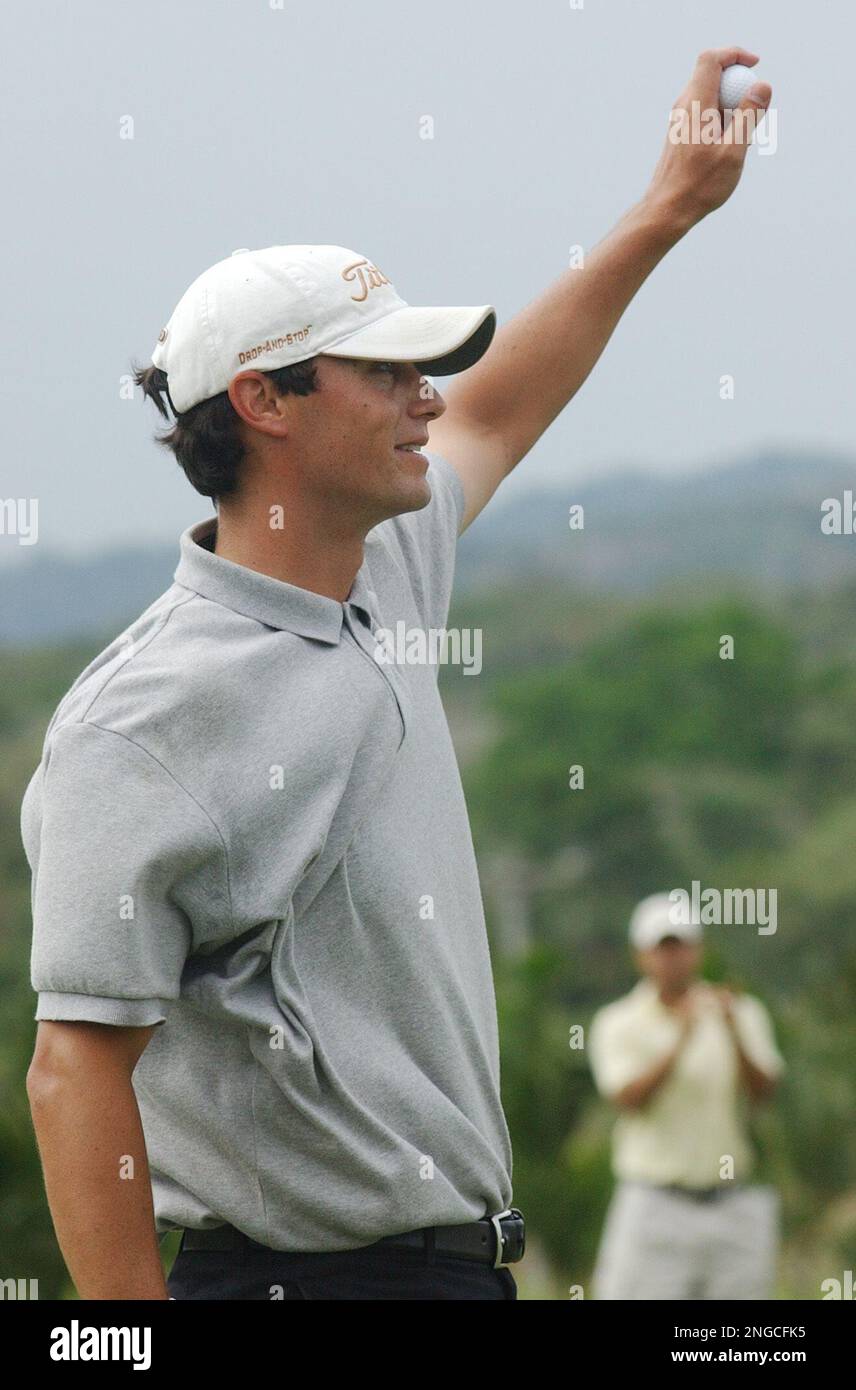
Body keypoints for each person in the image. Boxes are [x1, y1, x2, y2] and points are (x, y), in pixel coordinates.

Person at [21, 48, 772, 1300]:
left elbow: (494, 411)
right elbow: (74, 1068)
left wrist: (667, 209)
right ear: (264, 401)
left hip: (456, 1270)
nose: (427, 399)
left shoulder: (384, 569)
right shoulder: (140, 720)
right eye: (388, 373)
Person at [588, 893, 786, 1300]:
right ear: (641, 956)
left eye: (682, 945)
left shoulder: (740, 1012)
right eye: (664, 948)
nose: (673, 958)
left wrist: (732, 1031)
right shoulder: (617, 1021)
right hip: (654, 1203)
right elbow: (628, 1099)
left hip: (731, 1202)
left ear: (698, 950)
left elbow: (764, 1091)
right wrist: (682, 1037)